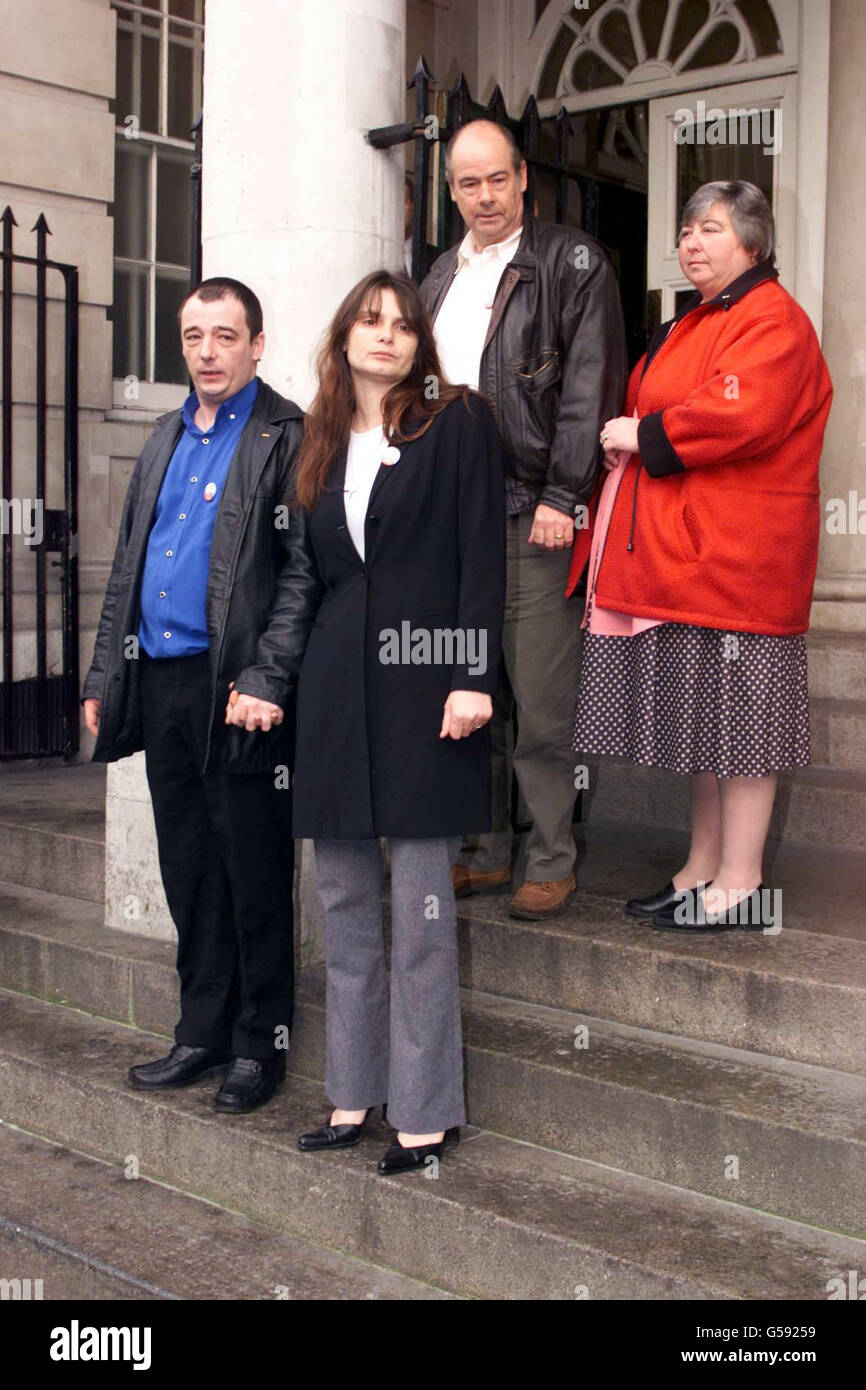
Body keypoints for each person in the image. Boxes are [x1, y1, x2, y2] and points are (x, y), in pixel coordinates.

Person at [273, 269, 505, 1172]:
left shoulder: (459, 423)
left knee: (419, 908)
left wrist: (472, 674)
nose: (387, 337)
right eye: (370, 323)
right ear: (342, 339)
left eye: (403, 325)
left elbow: (480, 551)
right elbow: (321, 576)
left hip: (427, 690)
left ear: (420, 344)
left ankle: (423, 1109)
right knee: (341, 906)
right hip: (336, 694)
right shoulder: (319, 441)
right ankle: (351, 1094)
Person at [82, 277, 319, 1110]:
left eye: (226, 336)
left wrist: (266, 677)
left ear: (258, 344)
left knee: (251, 869)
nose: (209, 352)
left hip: (240, 692)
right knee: (188, 868)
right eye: (195, 337)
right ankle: (201, 1032)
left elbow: (301, 575)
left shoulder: (288, 434)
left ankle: (261, 1046)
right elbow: (127, 568)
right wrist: (105, 676)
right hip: (163, 681)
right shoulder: (162, 436)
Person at [572, 181, 833, 932]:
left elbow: (740, 411)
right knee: (711, 728)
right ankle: (700, 869)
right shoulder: (699, 318)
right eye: (686, 229)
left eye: (710, 229)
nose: (690, 242)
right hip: (699, 561)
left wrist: (641, 434)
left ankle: (742, 882)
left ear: (752, 242)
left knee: (743, 729)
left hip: (744, 563)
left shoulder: (773, 317)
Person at [420, 118, 627, 921]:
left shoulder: (572, 263)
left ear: (523, 179)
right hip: (452, 520)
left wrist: (562, 495)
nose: (484, 197)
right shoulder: (438, 275)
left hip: (530, 512)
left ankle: (551, 856)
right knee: (475, 686)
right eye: (467, 183)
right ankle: (486, 848)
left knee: (541, 699)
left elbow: (590, 387)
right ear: (452, 191)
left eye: (496, 179)